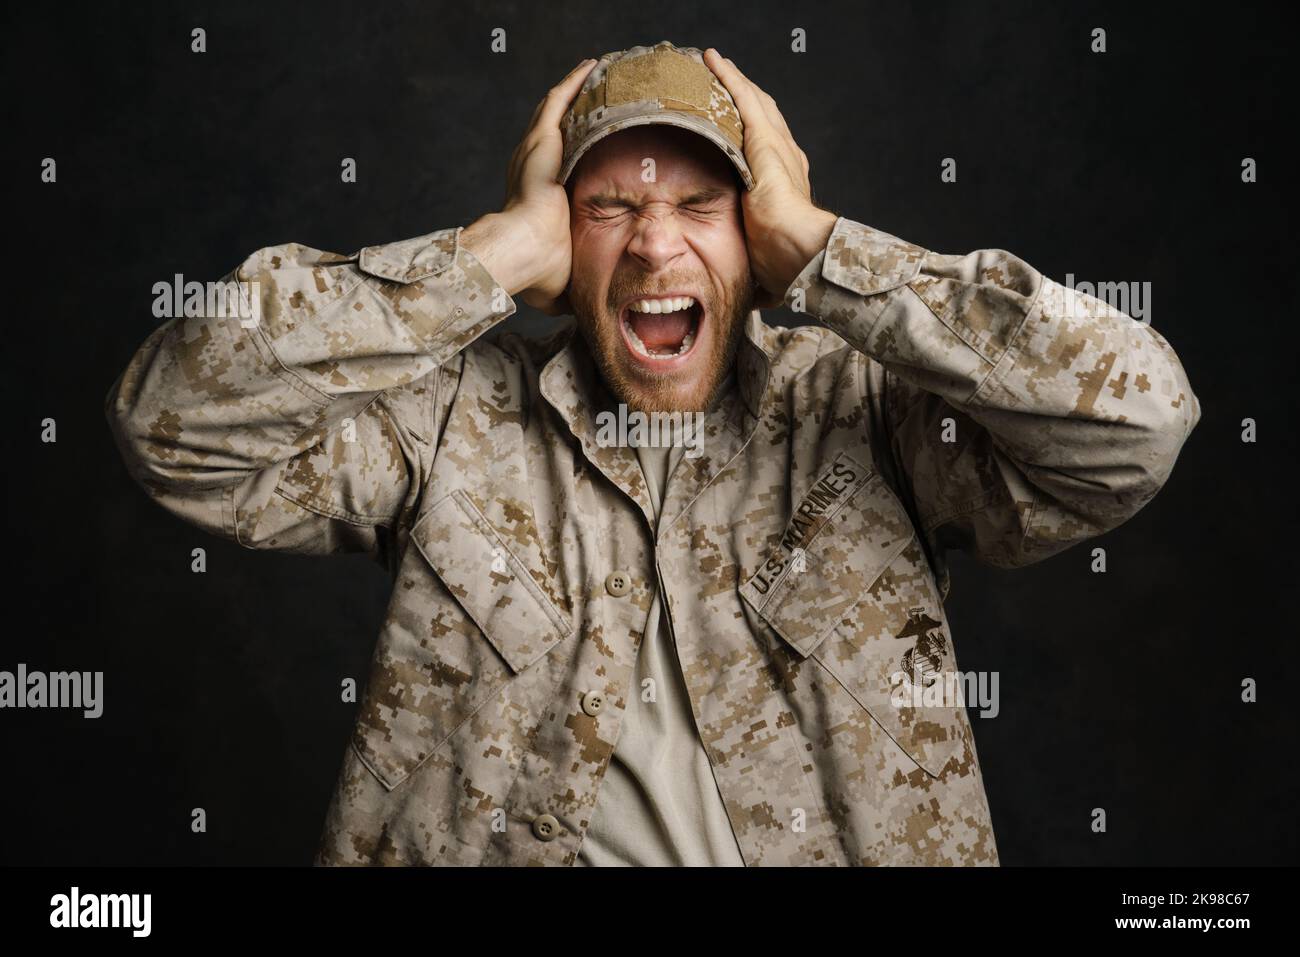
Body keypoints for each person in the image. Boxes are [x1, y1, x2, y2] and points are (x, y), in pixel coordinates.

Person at [106, 42, 1200, 866]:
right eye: (608, 206)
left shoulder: (873, 419)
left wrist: (826, 251)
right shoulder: (449, 424)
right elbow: (174, 422)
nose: (655, 243)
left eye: (700, 206)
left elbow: (1139, 417)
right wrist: (489, 253)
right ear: (560, 238)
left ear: (753, 238)